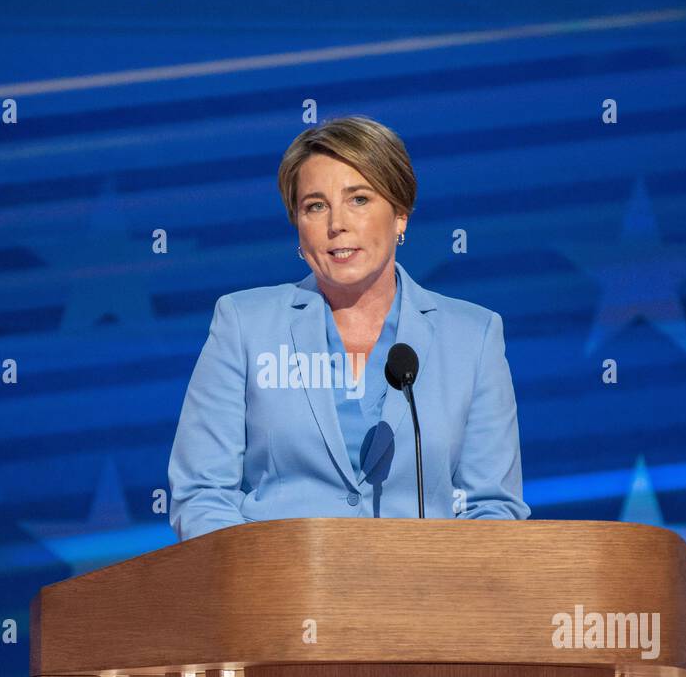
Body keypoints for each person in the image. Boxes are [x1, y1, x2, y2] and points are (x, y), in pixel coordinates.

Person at [167, 115, 530, 541]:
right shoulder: (244, 324)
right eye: (315, 206)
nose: (336, 223)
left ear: (400, 215)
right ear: (298, 229)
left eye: (358, 199)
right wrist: (252, 585)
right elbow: (202, 494)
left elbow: (492, 505)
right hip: (279, 595)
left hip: (422, 597)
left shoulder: (474, 335)